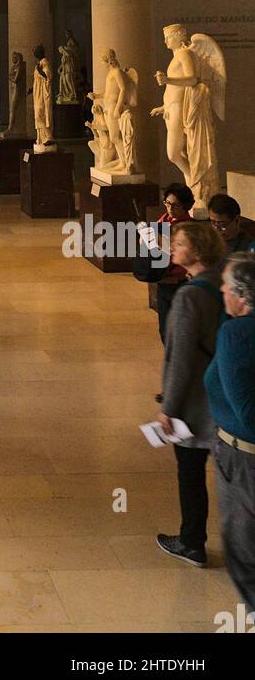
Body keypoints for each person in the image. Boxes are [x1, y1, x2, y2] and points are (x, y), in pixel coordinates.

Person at [155, 221, 228, 567]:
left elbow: (180, 359)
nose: (172, 247)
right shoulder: (222, 284)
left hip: (195, 402)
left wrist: (168, 407)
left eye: (180, 243)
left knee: (190, 472)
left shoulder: (188, 297)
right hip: (224, 397)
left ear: (196, 251)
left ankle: (191, 541)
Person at [206, 256, 255, 610]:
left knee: (243, 552)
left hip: (243, 461)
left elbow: (248, 413)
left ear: (243, 295)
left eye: (226, 284)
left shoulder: (236, 335)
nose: (221, 289)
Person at [133, 183, 194, 342]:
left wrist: (157, 241)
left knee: (179, 332)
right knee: (165, 331)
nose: (170, 208)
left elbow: (171, 250)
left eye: (176, 205)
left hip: (179, 284)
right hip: (163, 283)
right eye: (167, 203)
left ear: (186, 205)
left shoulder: (189, 227)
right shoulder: (163, 221)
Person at [207, 193, 255, 257]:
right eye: (213, 222)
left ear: (237, 220)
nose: (216, 228)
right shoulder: (207, 241)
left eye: (221, 224)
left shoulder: (249, 249)